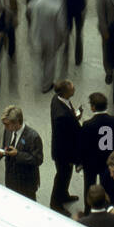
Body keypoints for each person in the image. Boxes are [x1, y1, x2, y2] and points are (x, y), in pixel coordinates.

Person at [80, 92, 114, 203]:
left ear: (93, 107)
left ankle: (88, 209)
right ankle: (107, 207)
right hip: (109, 160)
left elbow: (83, 146)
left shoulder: (87, 124)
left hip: (91, 162)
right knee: (108, 187)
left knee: (89, 187)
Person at [48, 80, 82, 214]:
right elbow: (66, 138)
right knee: (62, 176)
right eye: (72, 88)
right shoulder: (61, 116)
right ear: (65, 92)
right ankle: (55, 203)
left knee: (66, 175)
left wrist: (74, 117)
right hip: (63, 153)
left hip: (63, 150)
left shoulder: (57, 99)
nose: (74, 89)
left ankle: (64, 195)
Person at [0, 105, 43, 201]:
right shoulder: (8, 131)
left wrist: (18, 154)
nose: (5, 127)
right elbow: (6, 147)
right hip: (11, 180)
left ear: (17, 122)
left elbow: (38, 159)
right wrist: (2, 151)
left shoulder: (33, 137)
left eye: (7, 124)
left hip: (26, 183)